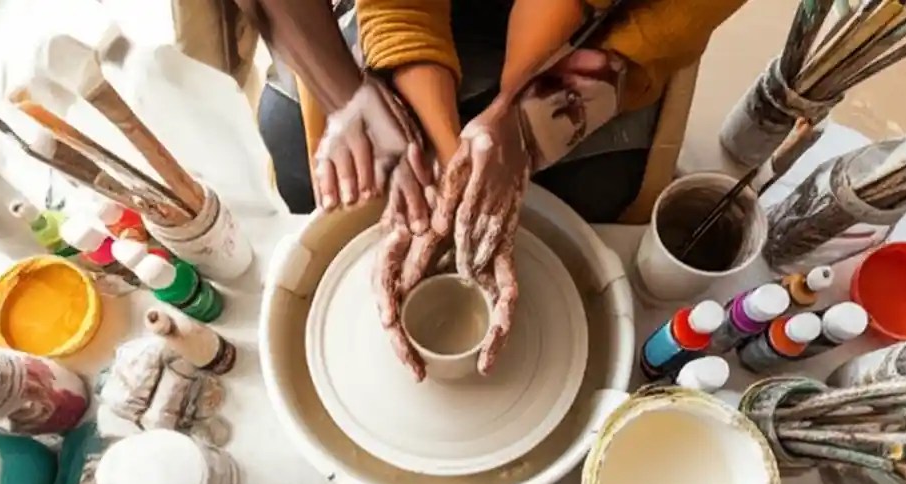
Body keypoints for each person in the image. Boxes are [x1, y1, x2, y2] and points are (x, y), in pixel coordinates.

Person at [248, 0, 747, 380]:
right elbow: (400, 8)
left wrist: (524, 124)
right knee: (296, 141)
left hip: (603, 22)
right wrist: (448, 163)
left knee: (599, 186)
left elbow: (670, 21)